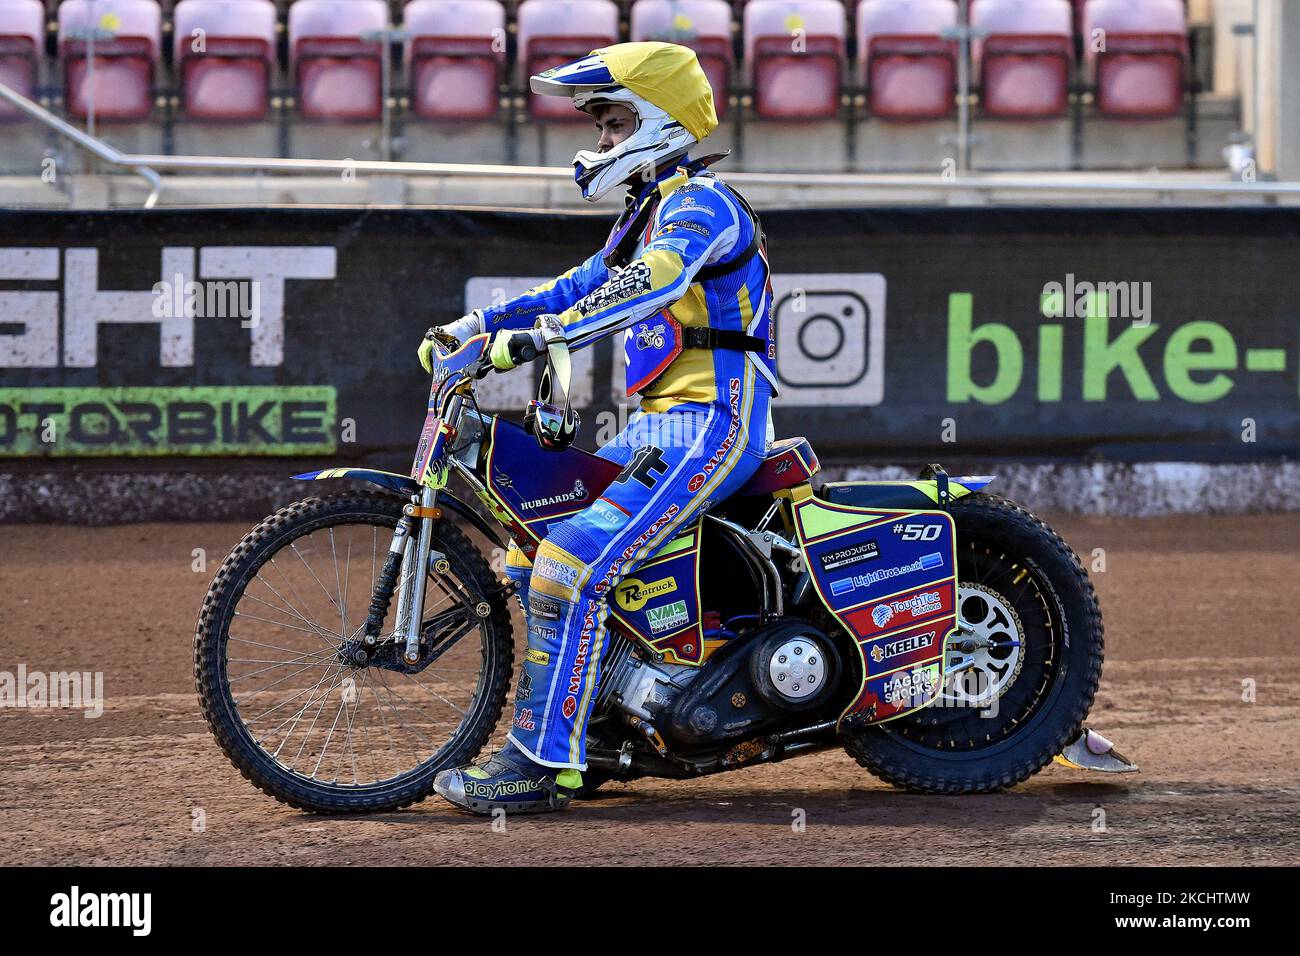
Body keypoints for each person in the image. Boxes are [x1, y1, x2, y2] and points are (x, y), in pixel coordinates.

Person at [420, 41, 779, 814]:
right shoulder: (644, 215)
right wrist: (475, 325)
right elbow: (578, 286)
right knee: (527, 551)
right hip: (658, 429)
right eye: (604, 127)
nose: (603, 143)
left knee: (570, 564)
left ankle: (541, 764)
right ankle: (605, 725)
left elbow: (654, 284)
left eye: (616, 125)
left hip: (711, 427)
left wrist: (542, 339)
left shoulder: (699, 205)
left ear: (658, 121)